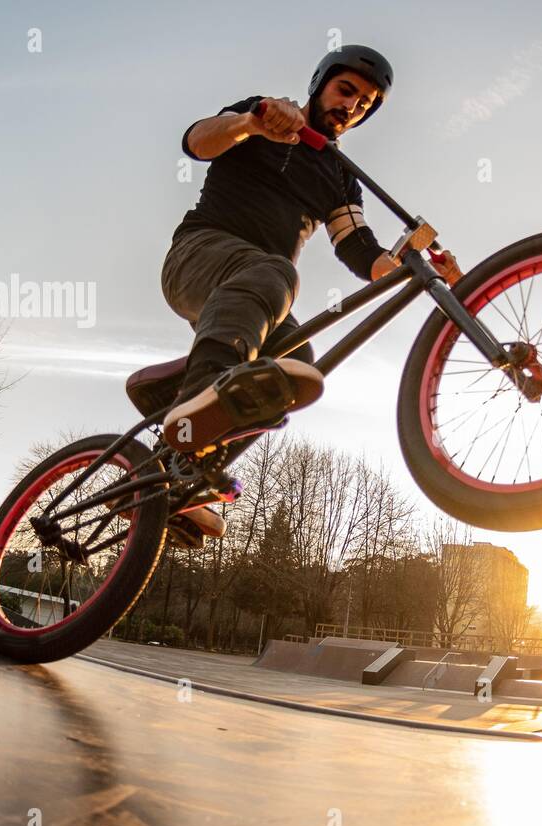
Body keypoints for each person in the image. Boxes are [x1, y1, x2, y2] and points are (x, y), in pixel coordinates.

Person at [149, 44, 459, 540]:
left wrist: (416, 265)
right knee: (276, 273)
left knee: (296, 366)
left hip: (256, 293)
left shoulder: (340, 178)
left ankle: (179, 478)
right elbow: (196, 142)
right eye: (346, 90)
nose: (352, 105)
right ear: (320, 85)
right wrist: (252, 122)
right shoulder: (263, 115)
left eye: (365, 103)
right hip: (199, 256)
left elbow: (362, 253)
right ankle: (194, 405)